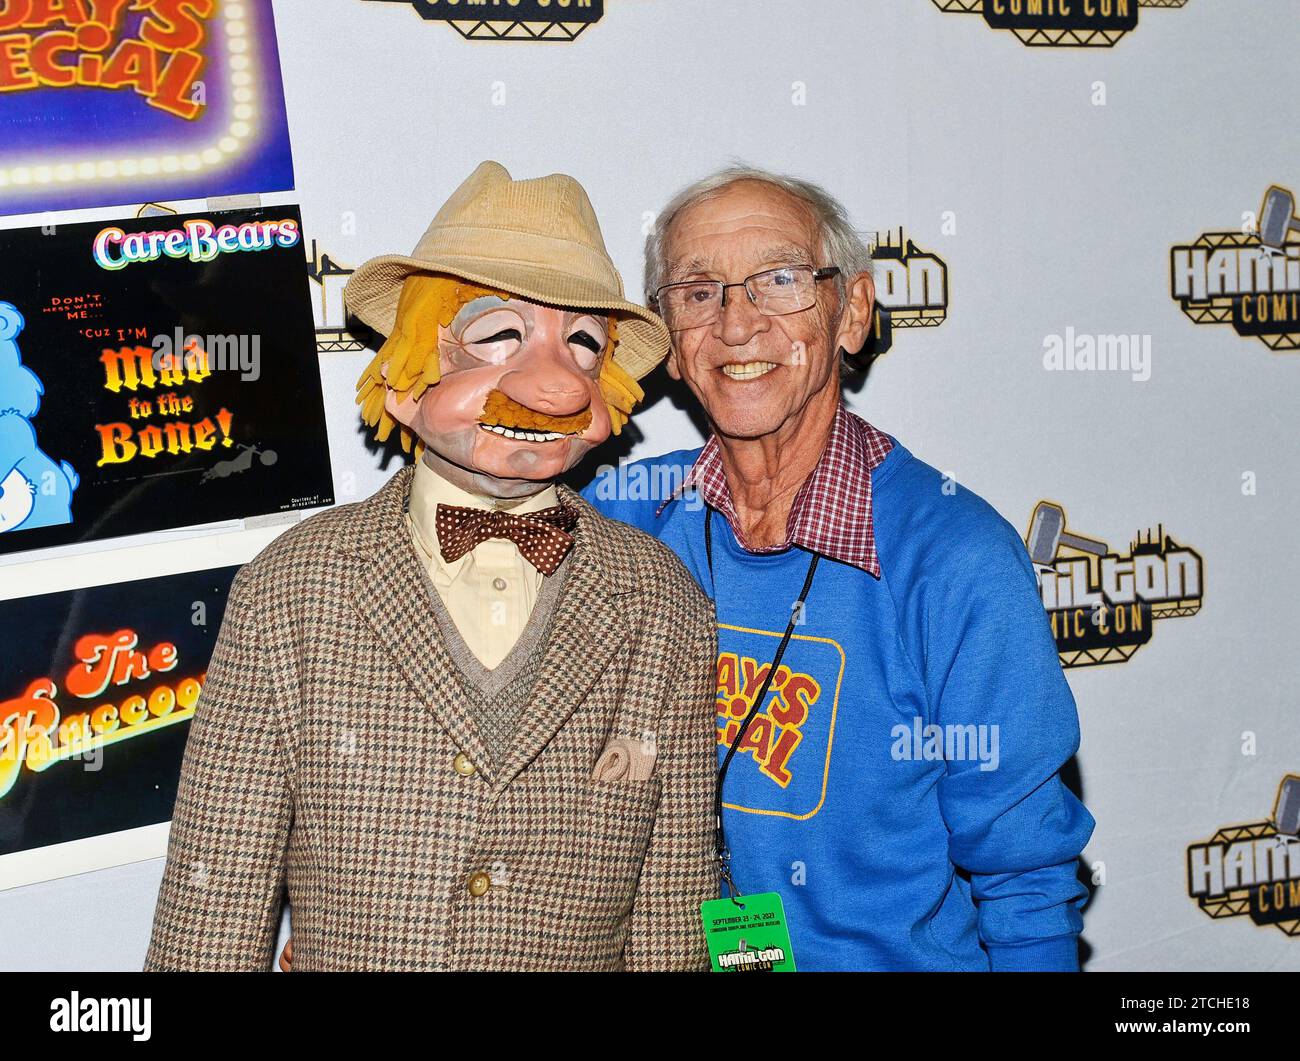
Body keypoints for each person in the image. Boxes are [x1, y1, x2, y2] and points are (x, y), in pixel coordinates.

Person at [144, 161, 718, 972]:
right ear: (411, 372)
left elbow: (676, 911)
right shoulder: (294, 586)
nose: (552, 385)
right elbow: (215, 892)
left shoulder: (664, 604)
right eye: (500, 335)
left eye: (583, 345)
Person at [584, 165, 1096, 972]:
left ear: (851, 312)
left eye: (779, 280)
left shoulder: (955, 560)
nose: (737, 323)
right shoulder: (624, 519)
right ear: (671, 347)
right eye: (697, 291)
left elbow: (1026, 879)